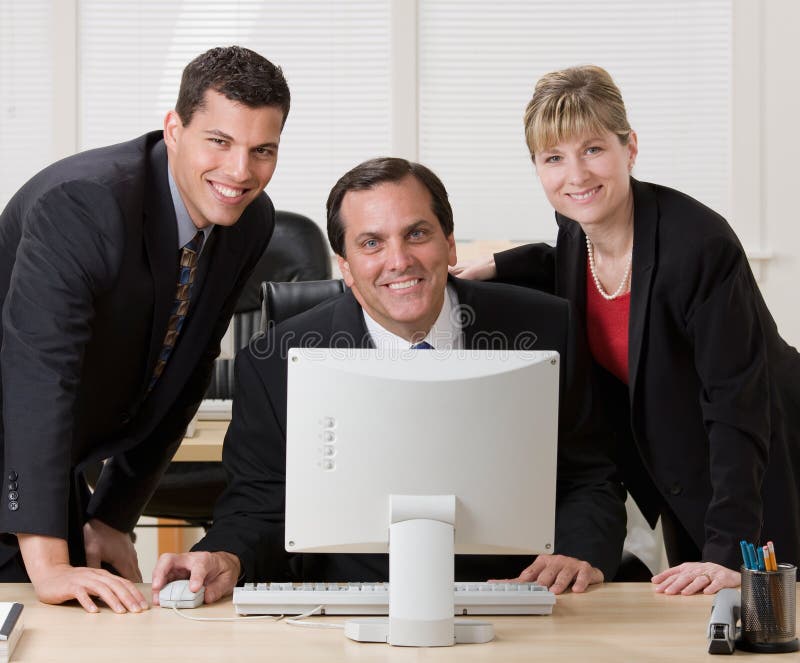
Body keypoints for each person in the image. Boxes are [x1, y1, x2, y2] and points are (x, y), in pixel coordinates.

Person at [151, 157, 626, 605]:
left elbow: (590, 476)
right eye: (372, 243)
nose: (399, 261)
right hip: (352, 606)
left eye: (416, 233)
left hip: (516, 596)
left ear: (449, 243)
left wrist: (578, 551)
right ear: (346, 267)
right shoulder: (273, 361)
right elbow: (260, 505)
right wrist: (224, 556)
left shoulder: (546, 327)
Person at [452, 65, 800, 595]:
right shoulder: (577, 227)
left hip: (765, 462)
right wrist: (497, 266)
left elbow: (737, 406)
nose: (576, 175)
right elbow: (561, 261)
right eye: (554, 158)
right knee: (698, 619)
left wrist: (730, 549)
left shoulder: (699, 247)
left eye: (593, 149)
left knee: (767, 622)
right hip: (686, 471)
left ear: (629, 148)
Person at [0, 46, 290, 613]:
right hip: (18, 445)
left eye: (262, 150)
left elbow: (182, 373)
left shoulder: (249, 221)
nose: (240, 172)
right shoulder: (86, 203)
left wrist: (110, 517)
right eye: (220, 141)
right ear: (174, 128)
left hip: (50, 462)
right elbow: (39, 375)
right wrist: (51, 563)